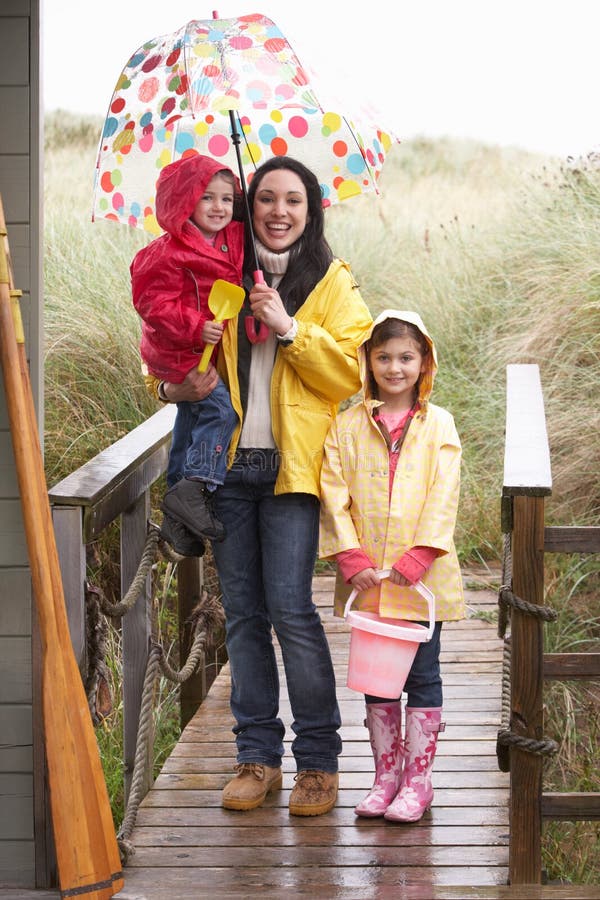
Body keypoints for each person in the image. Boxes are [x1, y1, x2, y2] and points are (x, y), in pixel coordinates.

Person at [152, 156, 373, 817]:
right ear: (251, 210)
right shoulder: (216, 273)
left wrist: (288, 327)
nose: (279, 211)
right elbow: (166, 348)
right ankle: (256, 758)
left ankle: (318, 764)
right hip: (226, 471)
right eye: (267, 199)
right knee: (244, 618)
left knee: (292, 614)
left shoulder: (333, 284)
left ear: (311, 212)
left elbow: (349, 377)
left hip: (291, 472)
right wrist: (168, 386)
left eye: (293, 201)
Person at [318, 309, 465, 822]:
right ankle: (385, 778)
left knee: (423, 674)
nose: (394, 367)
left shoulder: (438, 424)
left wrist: (421, 554)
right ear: (368, 362)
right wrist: (349, 556)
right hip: (369, 579)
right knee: (379, 677)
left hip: (421, 580)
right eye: (383, 357)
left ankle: (417, 782)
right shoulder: (347, 426)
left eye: (406, 357)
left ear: (424, 361)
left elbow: (444, 492)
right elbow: (332, 492)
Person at [131, 154, 244, 556]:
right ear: (184, 203)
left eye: (227, 199)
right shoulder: (166, 252)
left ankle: (179, 523)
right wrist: (196, 326)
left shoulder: (231, 237)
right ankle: (196, 486)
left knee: (192, 420)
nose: (219, 208)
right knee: (219, 411)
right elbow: (152, 303)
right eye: (206, 198)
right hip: (179, 350)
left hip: (207, 349)